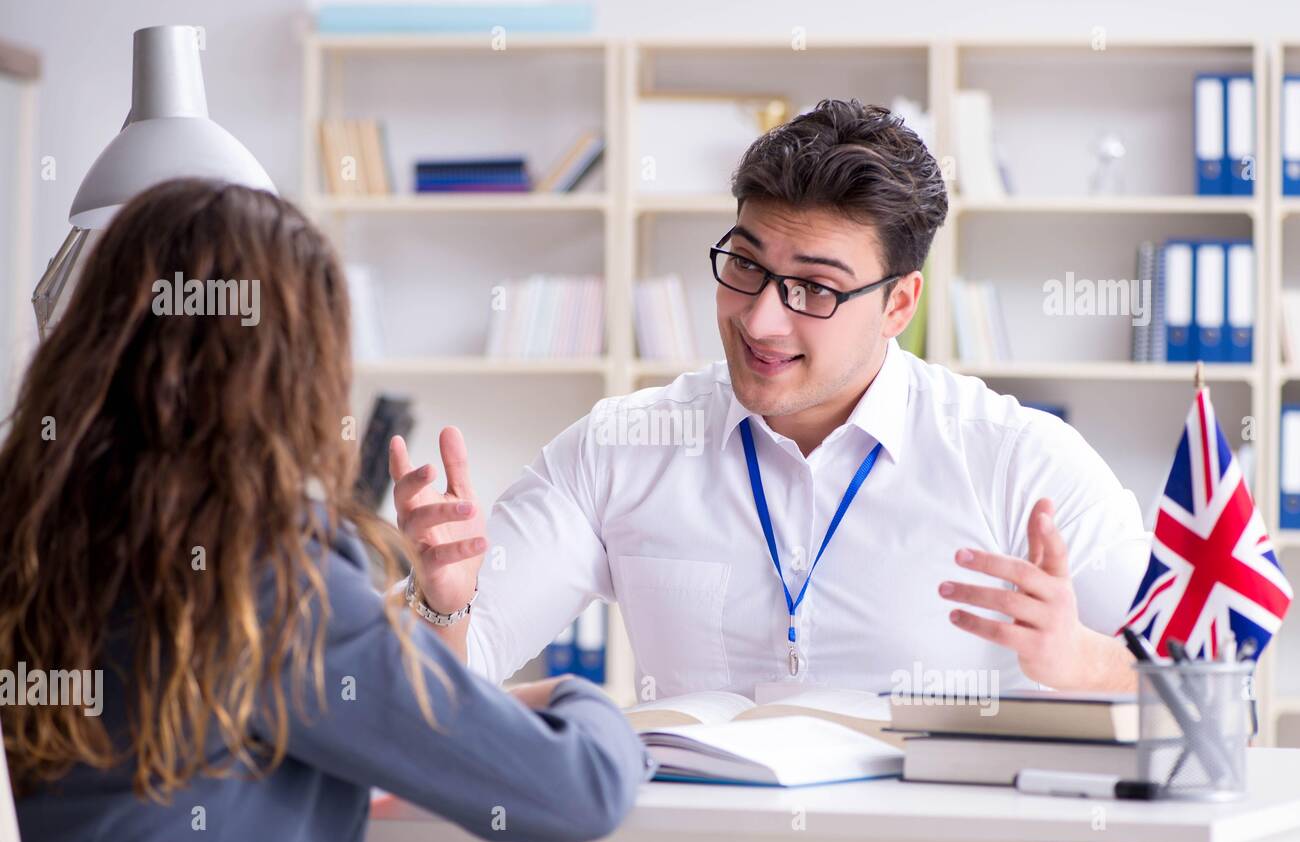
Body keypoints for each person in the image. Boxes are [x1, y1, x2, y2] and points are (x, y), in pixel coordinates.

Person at [392, 99, 1150, 700]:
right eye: (745, 265)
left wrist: (1083, 661)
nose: (759, 318)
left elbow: (1215, 698)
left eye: (814, 288)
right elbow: (434, 687)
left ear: (899, 305)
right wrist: (443, 604)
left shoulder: (1018, 460)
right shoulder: (622, 446)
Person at [0, 179, 648, 842]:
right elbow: (580, 787)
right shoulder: (260, 575)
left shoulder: (34, 526)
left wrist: (439, 627)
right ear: (291, 377)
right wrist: (584, 700)